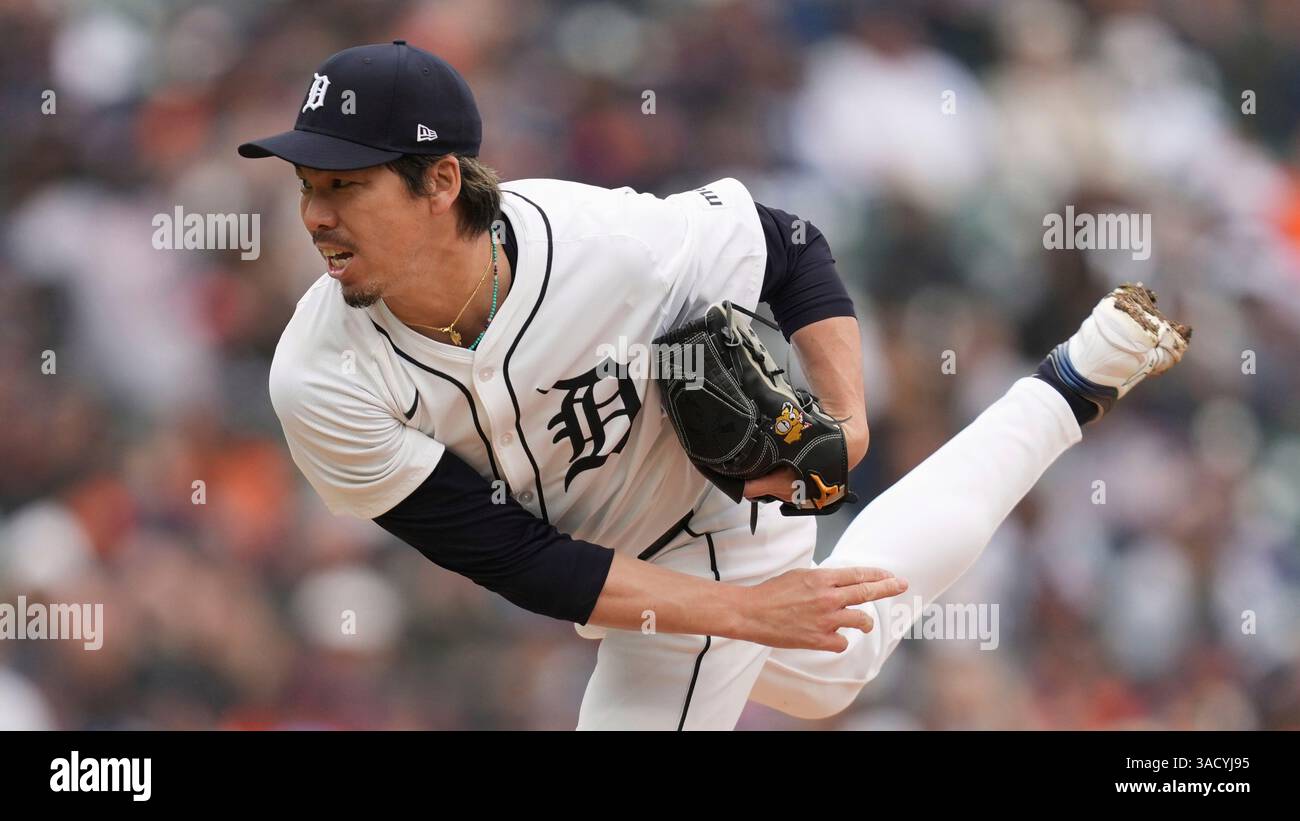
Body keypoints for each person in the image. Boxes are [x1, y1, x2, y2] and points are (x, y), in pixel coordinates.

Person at [239, 42, 1190, 729]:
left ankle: (1071, 382)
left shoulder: (600, 245)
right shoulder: (321, 379)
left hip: (720, 506)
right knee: (837, 663)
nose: (314, 214)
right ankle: (1074, 380)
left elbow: (790, 247)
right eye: (308, 185)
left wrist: (850, 423)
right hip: (616, 567)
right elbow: (514, 559)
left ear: (441, 180)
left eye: (345, 185)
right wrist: (750, 617)